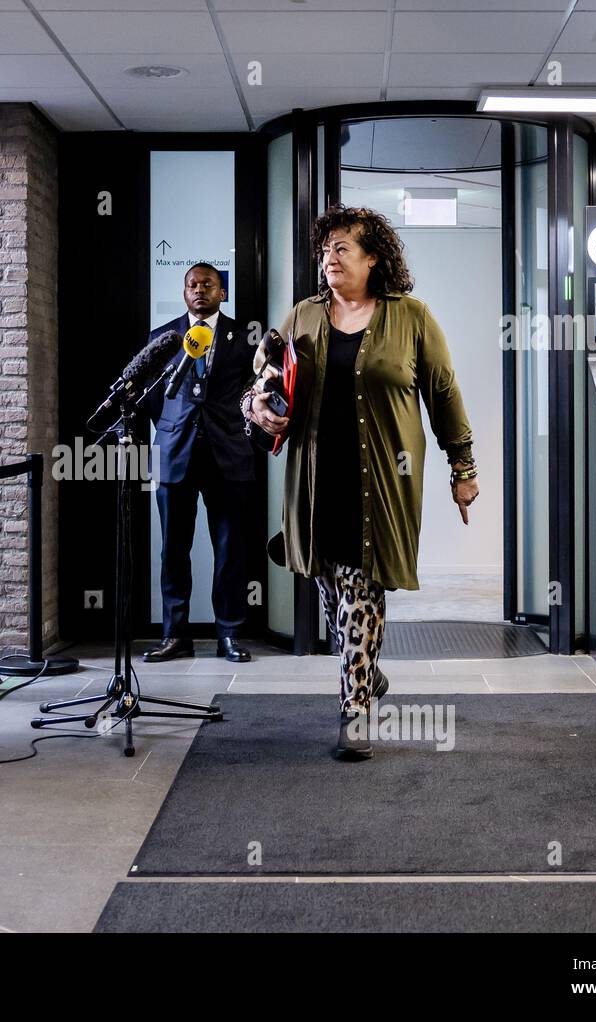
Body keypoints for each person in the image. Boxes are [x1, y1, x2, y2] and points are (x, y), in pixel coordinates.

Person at [244, 205, 479, 761]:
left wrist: (462, 468)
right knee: (332, 590)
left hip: (381, 483)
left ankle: (355, 709)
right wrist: (257, 406)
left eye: (343, 248)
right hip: (314, 480)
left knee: (361, 587)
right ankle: (367, 675)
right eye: (325, 249)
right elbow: (260, 379)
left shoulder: (412, 318)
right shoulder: (301, 317)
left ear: (374, 258)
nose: (330, 258)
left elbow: (443, 393)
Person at [141, 263, 256, 664]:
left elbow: (252, 395)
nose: (200, 290)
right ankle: (176, 636)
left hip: (228, 456)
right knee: (174, 550)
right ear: (184, 291)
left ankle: (229, 633)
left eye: (208, 284)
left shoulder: (243, 338)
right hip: (175, 454)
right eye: (192, 284)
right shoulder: (164, 338)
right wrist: (175, 426)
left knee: (229, 550)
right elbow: (154, 400)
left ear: (222, 292)